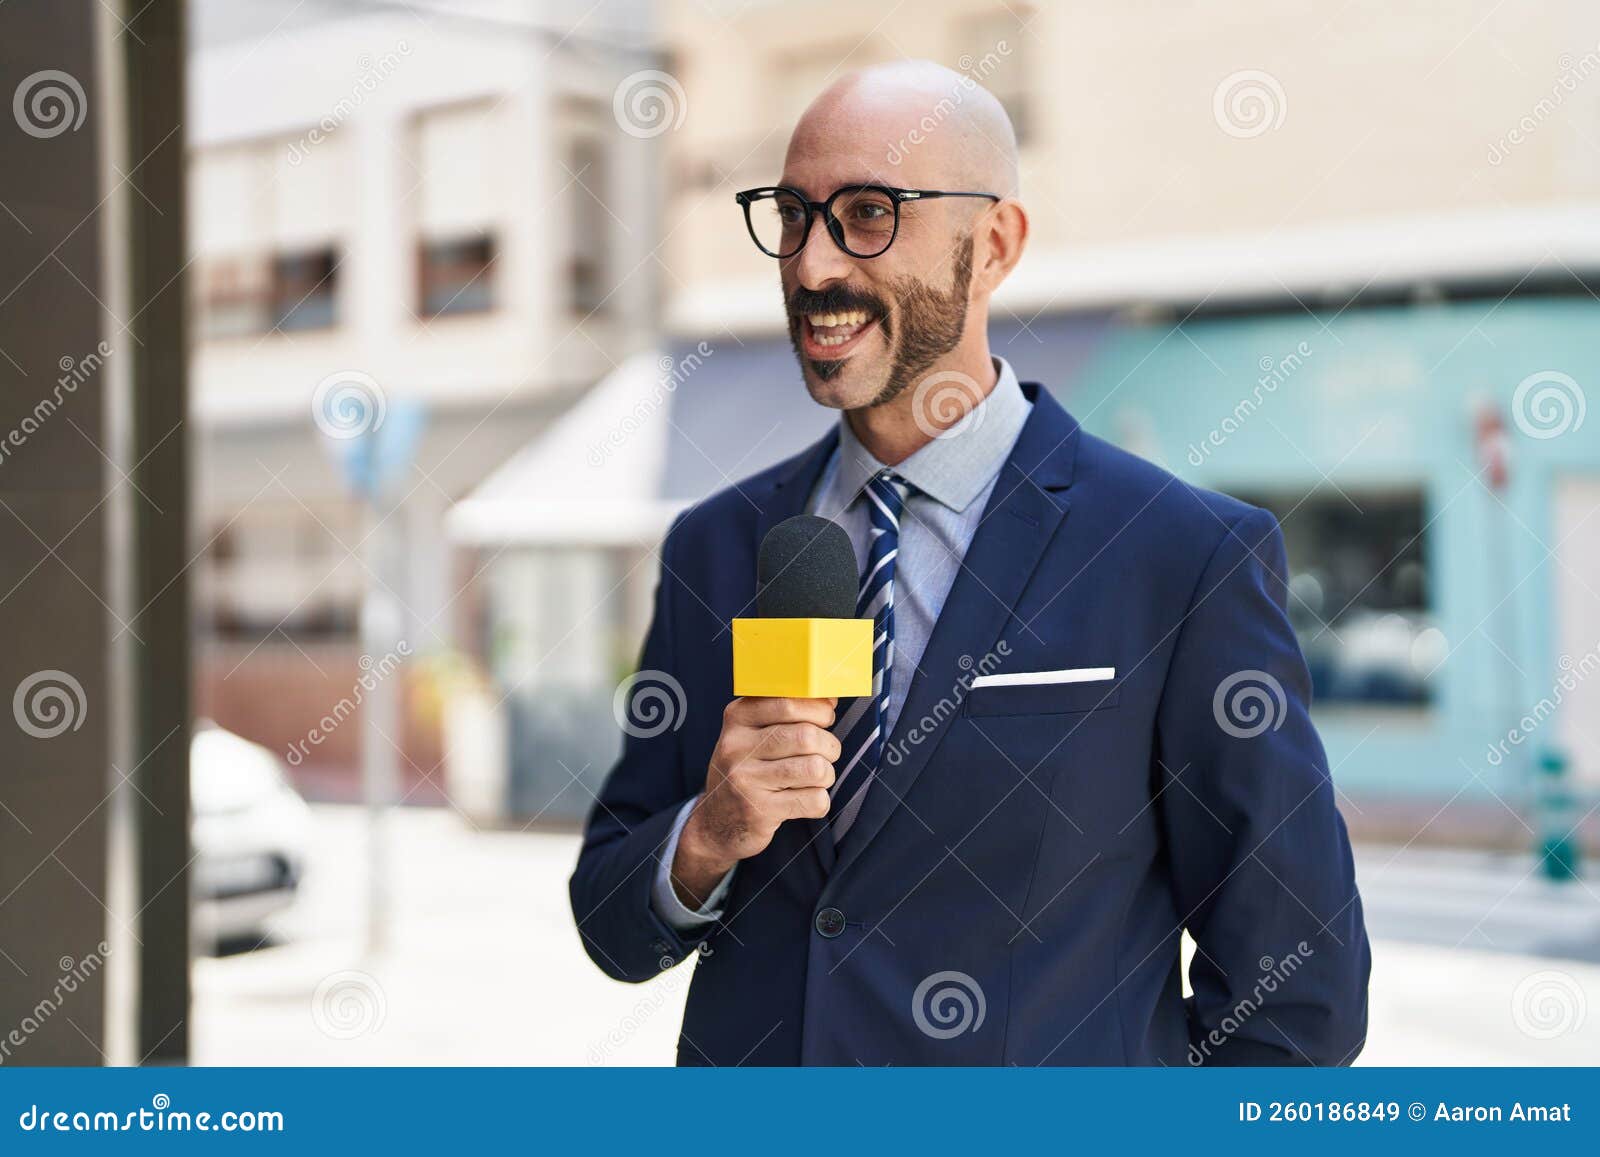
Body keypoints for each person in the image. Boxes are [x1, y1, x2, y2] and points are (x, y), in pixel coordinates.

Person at [570, 60, 1370, 1066]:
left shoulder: (1181, 557)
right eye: (792, 214)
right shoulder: (714, 544)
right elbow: (608, 913)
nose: (813, 265)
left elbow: (1299, 994)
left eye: (866, 213)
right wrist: (705, 836)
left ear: (992, 245)